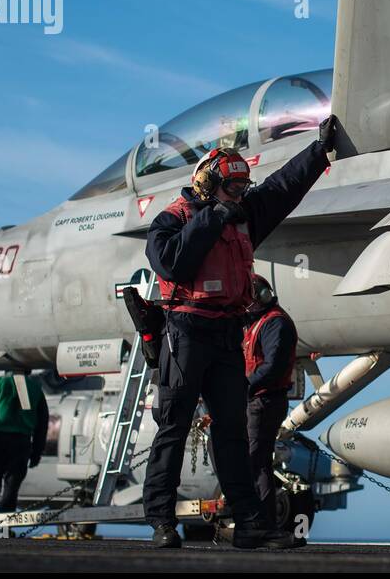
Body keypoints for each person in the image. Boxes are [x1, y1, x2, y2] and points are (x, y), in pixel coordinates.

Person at [143, 116, 337, 550]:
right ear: (208, 184)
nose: (240, 195)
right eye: (231, 187)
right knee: (173, 427)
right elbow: (172, 263)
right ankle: (161, 522)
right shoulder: (170, 220)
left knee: (232, 430)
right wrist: (213, 218)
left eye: (242, 187)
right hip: (185, 332)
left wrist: (318, 151)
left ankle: (251, 524)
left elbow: (282, 188)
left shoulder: (243, 215)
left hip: (227, 332)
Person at [242, 274, 297, 529]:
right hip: (258, 400)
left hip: (264, 402)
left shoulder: (275, 323)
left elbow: (272, 367)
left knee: (254, 462)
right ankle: (262, 522)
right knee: (257, 462)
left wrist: (242, 388)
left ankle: (261, 522)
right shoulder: (258, 322)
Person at [0, 370, 49, 515]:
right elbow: (42, 424)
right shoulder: (35, 388)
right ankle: (5, 519)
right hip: (22, 442)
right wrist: (36, 453)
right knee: (12, 484)